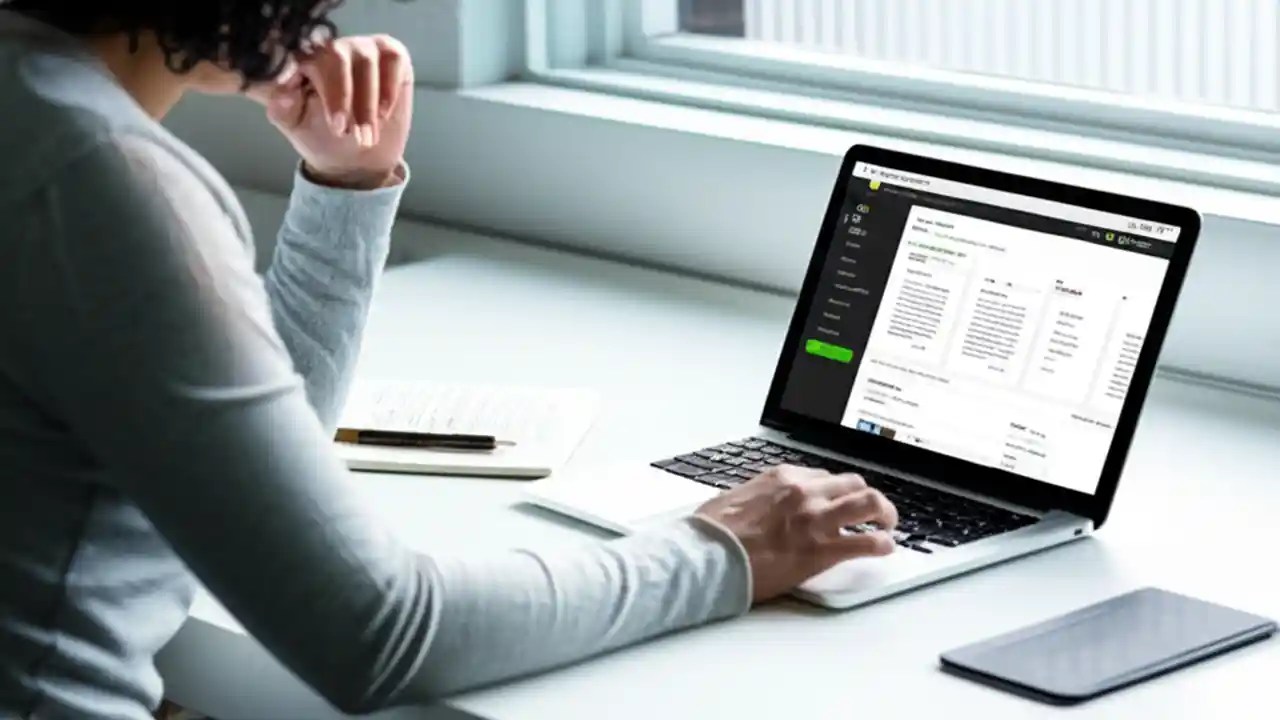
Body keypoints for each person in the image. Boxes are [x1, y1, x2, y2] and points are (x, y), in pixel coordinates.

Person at [0, 2, 898, 718]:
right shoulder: (98, 175)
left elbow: (237, 486)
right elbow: (375, 632)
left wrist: (346, 188)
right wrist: (724, 551)